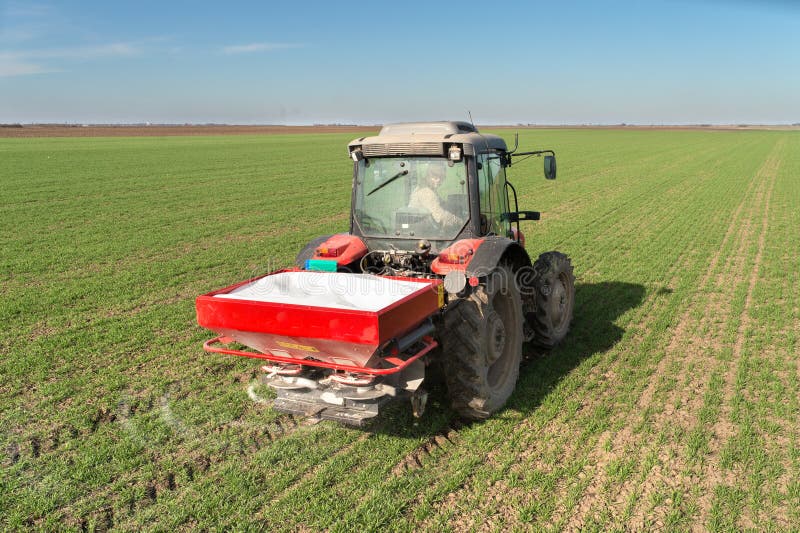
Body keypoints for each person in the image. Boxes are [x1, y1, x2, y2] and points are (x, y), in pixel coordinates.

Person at [409, 163, 460, 228]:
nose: (438, 180)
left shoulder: (426, 188)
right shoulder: (426, 192)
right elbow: (441, 217)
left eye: (442, 177)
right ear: (428, 175)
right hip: (423, 231)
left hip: (423, 227)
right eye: (435, 176)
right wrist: (461, 222)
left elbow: (441, 204)